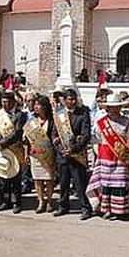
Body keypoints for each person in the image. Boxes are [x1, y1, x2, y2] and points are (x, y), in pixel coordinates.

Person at [87, 93, 129, 219]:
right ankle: (106, 209)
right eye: (111, 107)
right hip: (105, 155)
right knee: (106, 183)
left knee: (119, 183)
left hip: (121, 155)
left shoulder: (127, 121)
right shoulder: (101, 122)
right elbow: (96, 138)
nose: (114, 109)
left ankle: (120, 209)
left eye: (117, 106)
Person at [51, 88, 93, 219]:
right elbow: (54, 134)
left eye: (74, 99)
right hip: (62, 155)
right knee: (63, 183)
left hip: (76, 154)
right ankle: (63, 206)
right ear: (65, 100)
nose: (73, 101)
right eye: (70, 99)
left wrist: (73, 149)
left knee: (80, 183)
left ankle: (85, 208)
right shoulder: (59, 114)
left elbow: (86, 135)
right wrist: (60, 148)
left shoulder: (83, 113)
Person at [0, 91, 27, 213]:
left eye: (7, 102)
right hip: (1, 150)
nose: (5, 104)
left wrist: (3, 143)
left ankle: (17, 202)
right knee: (3, 176)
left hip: (14, 149)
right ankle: (6, 201)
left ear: (13, 102)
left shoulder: (20, 115)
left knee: (15, 178)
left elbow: (16, 134)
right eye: (3, 102)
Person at [25, 94, 57, 214]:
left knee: (49, 179)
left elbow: (53, 135)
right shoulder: (32, 121)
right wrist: (26, 153)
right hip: (35, 154)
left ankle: (49, 201)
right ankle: (40, 201)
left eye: (39, 104)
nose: (37, 107)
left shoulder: (52, 120)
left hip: (48, 154)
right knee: (37, 179)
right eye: (36, 104)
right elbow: (28, 139)